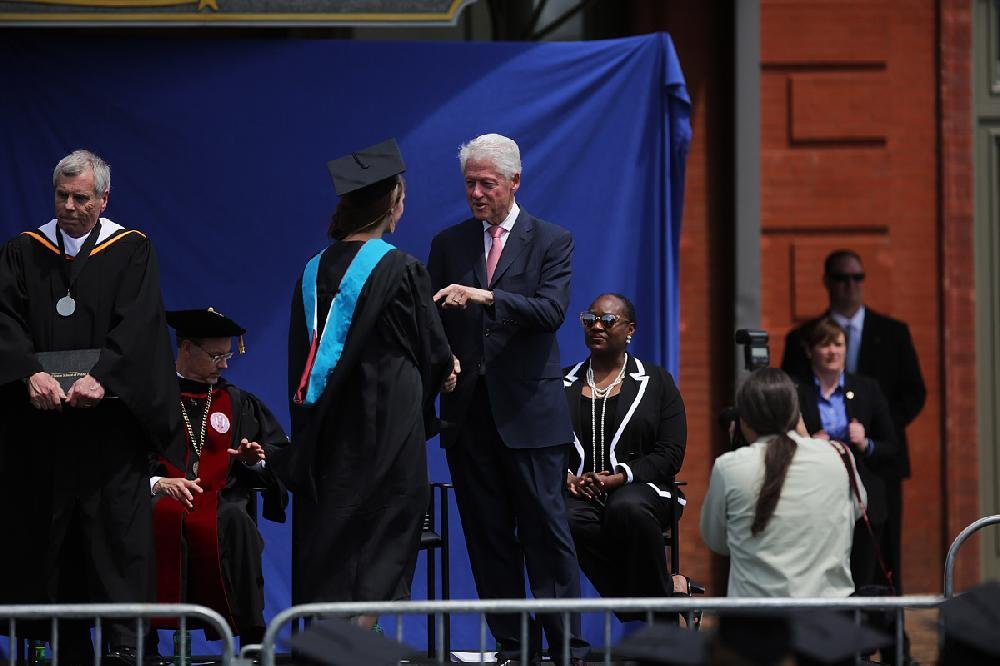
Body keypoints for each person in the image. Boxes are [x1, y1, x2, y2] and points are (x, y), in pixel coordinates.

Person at [0, 149, 183, 662]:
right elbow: (4, 319)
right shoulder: (24, 250)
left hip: (109, 433)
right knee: (50, 537)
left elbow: (141, 326)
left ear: (103, 199)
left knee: (116, 538)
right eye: (62, 196)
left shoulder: (132, 250)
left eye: (81, 198)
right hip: (44, 429)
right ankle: (59, 644)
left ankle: (126, 645)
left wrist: (104, 377)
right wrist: (28, 371)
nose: (69, 207)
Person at [271, 139, 453, 626]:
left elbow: (303, 355)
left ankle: (328, 641)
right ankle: (357, 642)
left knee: (332, 534)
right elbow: (431, 349)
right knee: (386, 532)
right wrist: (447, 369)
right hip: (388, 427)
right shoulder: (401, 268)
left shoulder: (312, 270)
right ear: (393, 204)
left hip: (329, 430)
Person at [427, 133, 588, 664]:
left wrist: (487, 296)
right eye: (469, 184)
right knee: (487, 536)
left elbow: (551, 312)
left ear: (514, 181)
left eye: (487, 184)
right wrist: (442, 360)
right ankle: (513, 647)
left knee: (546, 533)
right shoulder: (449, 244)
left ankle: (565, 648)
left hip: (529, 416)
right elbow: (430, 319)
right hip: (469, 415)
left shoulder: (551, 240)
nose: (476, 193)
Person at [781, 248, 925, 592]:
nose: (850, 285)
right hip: (818, 478)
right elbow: (786, 402)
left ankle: (887, 628)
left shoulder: (894, 333)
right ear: (827, 282)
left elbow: (914, 393)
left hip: (877, 469)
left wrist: (876, 429)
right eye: (842, 278)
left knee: (882, 561)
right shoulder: (801, 338)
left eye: (857, 277)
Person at [149, 308, 289, 645]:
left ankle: (253, 639)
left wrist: (254, 461)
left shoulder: (237, 402)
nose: (224, 365)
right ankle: (143, 643)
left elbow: (279, 453)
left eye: (227, 356)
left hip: (221, 503)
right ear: (186, 348)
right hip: (161, 499)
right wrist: (156, 484)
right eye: (216, 356)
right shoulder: (151, 398)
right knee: (151, 518)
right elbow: (124, 459)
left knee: (236, 521)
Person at [562, 293, 687, 613]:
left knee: (626, 507)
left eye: (607, 320)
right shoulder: (561, 383)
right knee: (563, 517)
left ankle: (657, 613)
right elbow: (545, 444)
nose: (597, 327)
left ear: (630, 329)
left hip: (645, 488)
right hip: (580, 494)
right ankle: (661, 597)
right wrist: (570, 479)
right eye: (590, 320)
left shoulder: (657, 382)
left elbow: (670, 453)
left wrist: (619, 478)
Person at [700, 368, 864, 597]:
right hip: (828, 609)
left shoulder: (729, 467)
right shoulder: (839, 456)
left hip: (755, 612)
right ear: (796, 413)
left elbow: (716, 541)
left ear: (744, 420)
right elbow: (857, 510)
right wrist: (805, 435)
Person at [793, 317, 896, 591]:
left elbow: (891, 448)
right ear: (809, 351)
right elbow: (783, 445)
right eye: (825, 345)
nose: (832, 352)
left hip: (862, 504)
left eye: (838, 344)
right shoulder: (796, 391)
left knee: (862, 581)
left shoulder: (868, 389)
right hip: (816, 502)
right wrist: (809, 444)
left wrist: (865, 443)